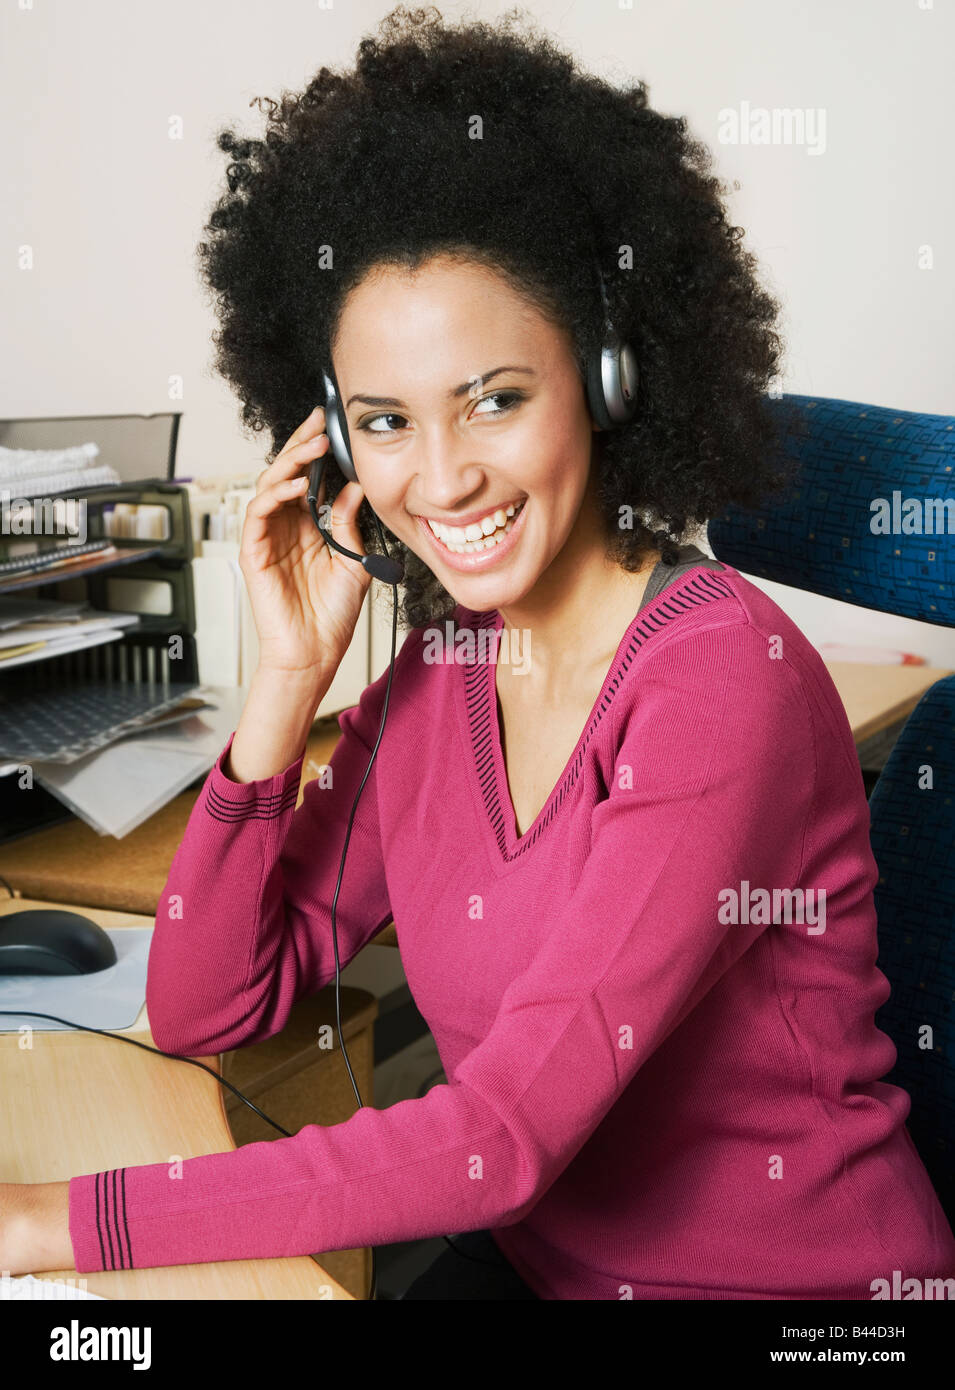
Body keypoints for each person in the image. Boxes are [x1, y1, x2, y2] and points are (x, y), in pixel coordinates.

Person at [3, 5, 953, 1300]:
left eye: (494, 398)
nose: (440, 475)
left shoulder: (721, 680)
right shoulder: (441, 682)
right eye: (385, 420)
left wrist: (39, 1223)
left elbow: (497, 1139)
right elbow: (212, 1008)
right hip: (535, 1264)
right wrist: (284, 688)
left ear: (613, 380)